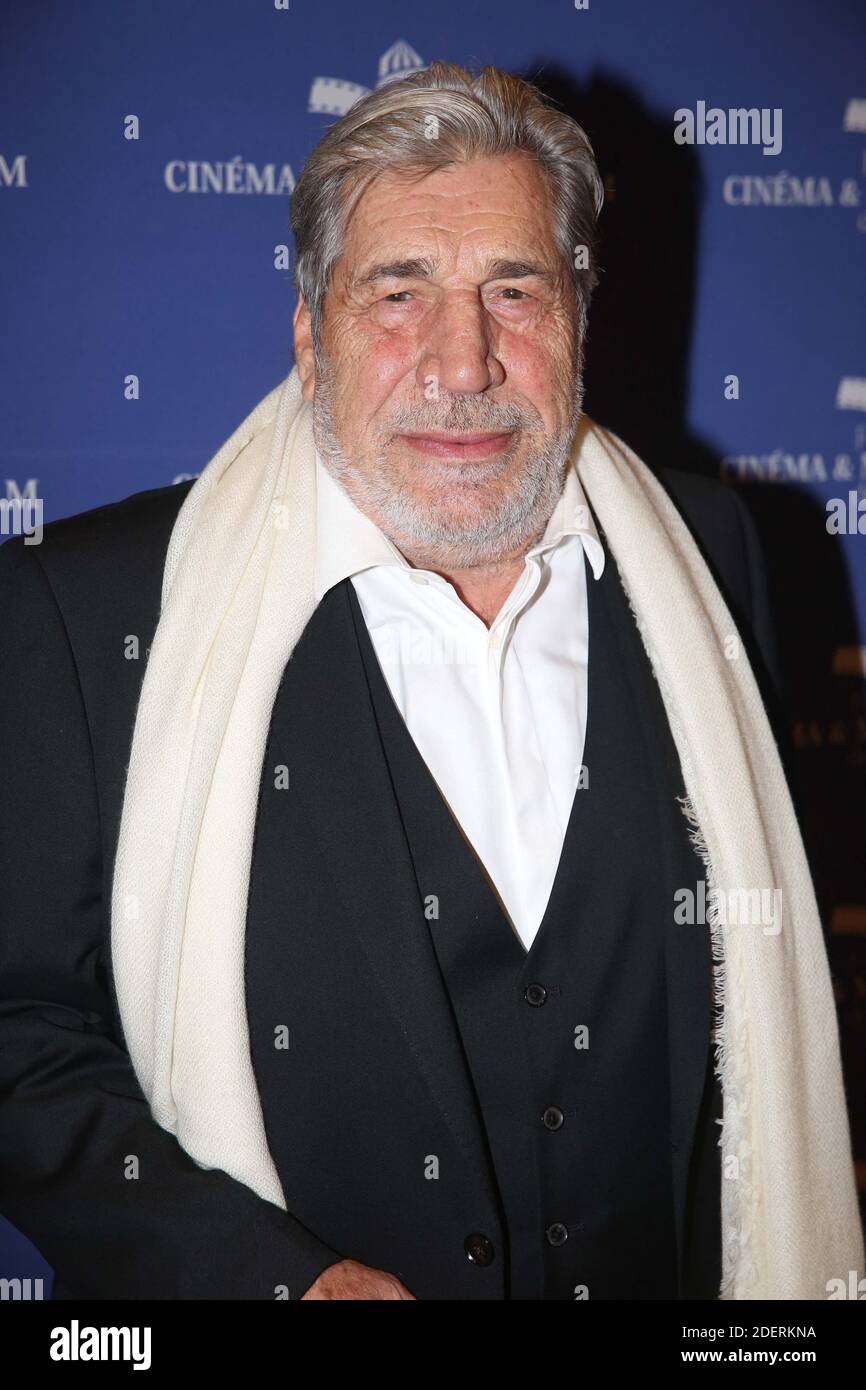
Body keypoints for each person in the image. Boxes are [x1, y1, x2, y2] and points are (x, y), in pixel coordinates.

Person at [0, 60, 861, 1301]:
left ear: (577, 315)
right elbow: (19, 1042)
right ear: (308, 334)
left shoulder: (710, 555)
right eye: (397, 293)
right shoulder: (89, 614)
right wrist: (274, 1284)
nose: (462, 364)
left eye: (512, 289)